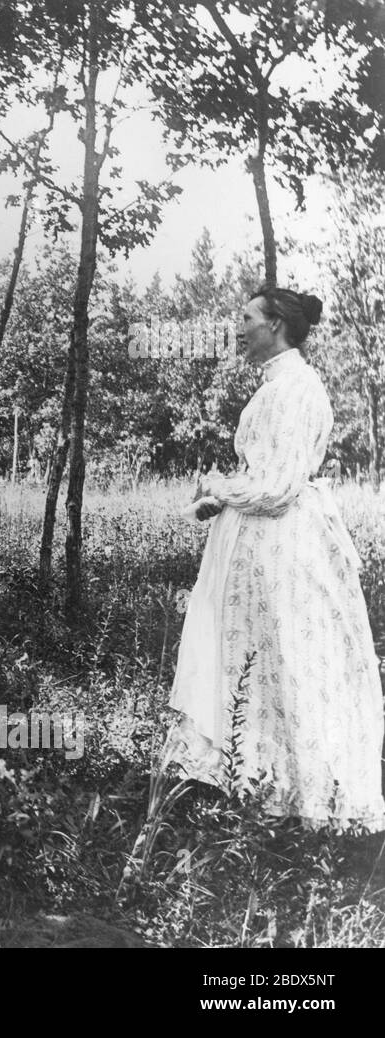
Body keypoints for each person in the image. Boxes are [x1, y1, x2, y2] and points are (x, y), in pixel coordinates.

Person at [168, 287, 385, 830]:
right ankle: (249, 777)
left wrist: (220, 485)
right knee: (251, 657)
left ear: (277, 325)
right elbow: (263, 476)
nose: (237, 329)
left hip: (283, 547)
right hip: (254, 546)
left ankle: (300, 796)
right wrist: (218, 497)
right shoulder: (275, 386)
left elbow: (280, 487)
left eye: (246, 319)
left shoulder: (298, 389)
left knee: (288, 658)